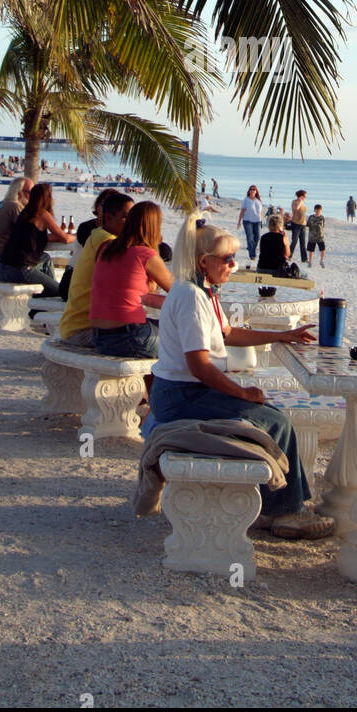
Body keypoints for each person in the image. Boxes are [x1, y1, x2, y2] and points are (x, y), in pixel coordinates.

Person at [149, 213, 335, 541]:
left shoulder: (202, 291)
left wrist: (282, 335)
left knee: (273, 417)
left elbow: (229, 333)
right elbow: (199, 367)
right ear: (203, 261)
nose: (234, 265)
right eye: (228, 259)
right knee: (276, 422)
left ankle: (278, 506)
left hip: (184, 391)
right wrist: (241, 394)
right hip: (182, 397)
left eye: (235, 258)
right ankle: (286, 513)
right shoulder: (192, 298)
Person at [80, 201, 173, 356]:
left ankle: (151, 381)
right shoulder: (145, 255)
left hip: (99, 336)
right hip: (130, 337)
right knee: (184, 337)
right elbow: (179, 291)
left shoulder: (106, 248)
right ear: (155, 227)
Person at [60, 192, 133, 342]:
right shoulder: (107, 243)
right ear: (108, 218)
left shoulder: (99, 235)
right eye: (126, 217)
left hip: (74, 326)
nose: (132, 223)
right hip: (84, 330)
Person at [0, 182, 73, 296]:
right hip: (20, 269)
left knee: (46, 258)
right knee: (59, 292)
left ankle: (42, 299)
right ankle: (44, 302)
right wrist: (75, 237)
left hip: (4, 268)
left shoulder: (26, 212)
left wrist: (57, 237)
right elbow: (65, 239)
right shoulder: (42, 214)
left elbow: (34, 237)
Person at [237, 185, 264, 260]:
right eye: (251, 189)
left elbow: (261, 212)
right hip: (247, 221)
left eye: (254, 190)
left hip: (257, 221)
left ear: (256, 191)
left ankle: (251, 248)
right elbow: (242, 211)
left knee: (257, 237)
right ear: (249, 191)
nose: (252, 191)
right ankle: (252, 255)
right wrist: (239, 222)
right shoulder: (246, 200)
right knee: (250, 238)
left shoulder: (258, 201)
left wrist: (261, 220)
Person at [288, 190, 309, 264]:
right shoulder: (295, 202)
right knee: (294, 241)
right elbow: (296, 208)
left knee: (302, 243)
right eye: (305, 196)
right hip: (296, 223)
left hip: (303, 224)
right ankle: (289, 256)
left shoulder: (302, 203)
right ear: (301, 196)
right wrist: (300, 201)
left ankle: (304, 259)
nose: (305, 198)